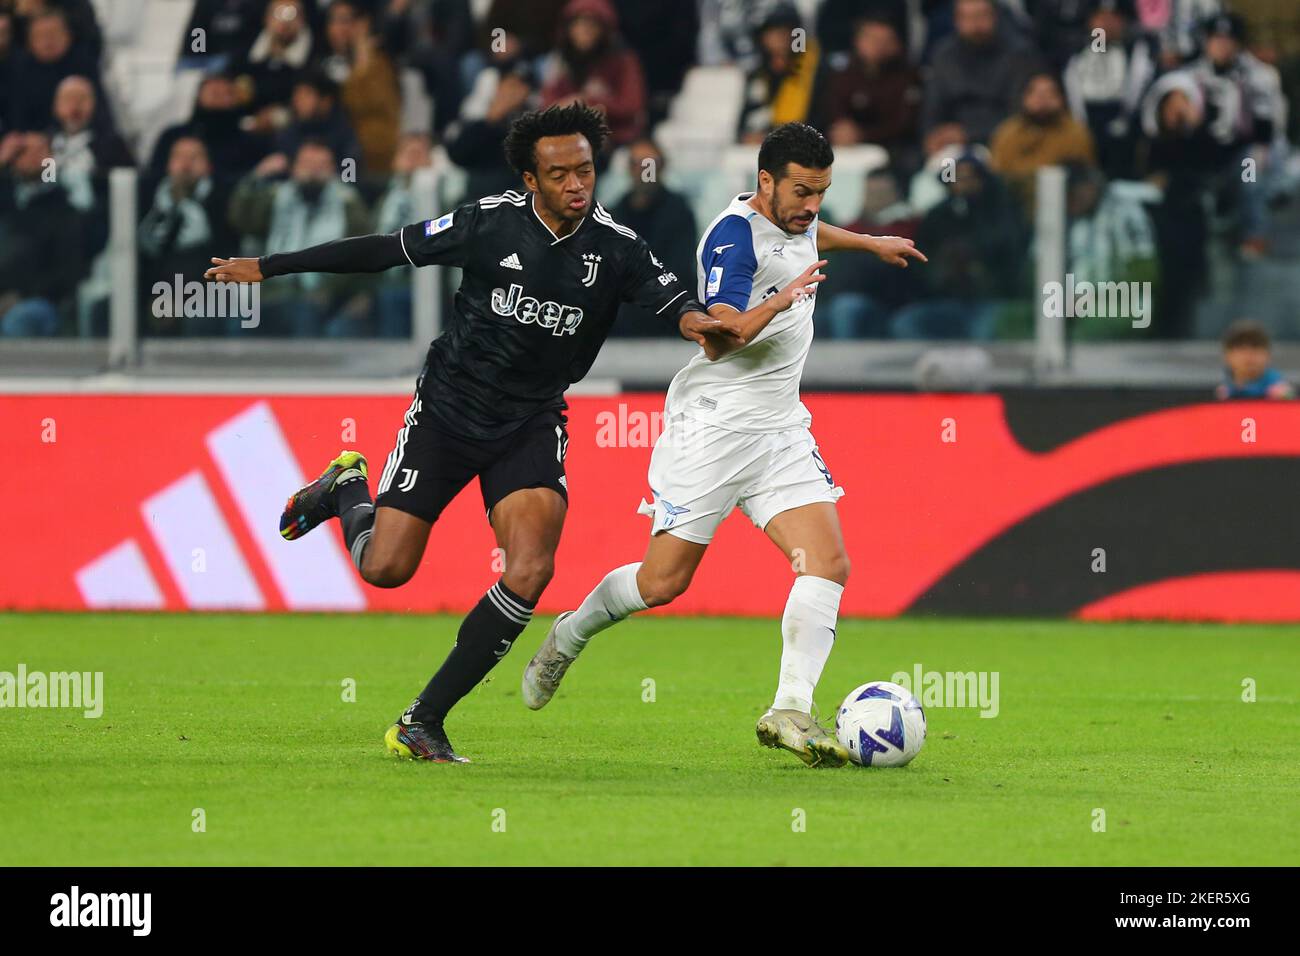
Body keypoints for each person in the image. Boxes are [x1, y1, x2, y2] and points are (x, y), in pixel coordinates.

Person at [204, 103, 730, 762]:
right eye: (560, 173)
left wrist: (701, 325)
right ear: (530, 180)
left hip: (530, 419)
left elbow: (676, 303)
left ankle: (423, 720)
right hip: (449, 409)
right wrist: (271, 266)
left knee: (532, 568)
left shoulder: (616, 247)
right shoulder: (488, 222)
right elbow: (385, 251)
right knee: (386, 568)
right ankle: (347, 486)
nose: (578, 185)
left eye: (587, 171)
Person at [518, 123, 926, 768]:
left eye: (821, 190)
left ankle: (789, 708)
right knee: (661, 583)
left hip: (779, 429)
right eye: (801, 190)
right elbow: (718, 335)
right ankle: (569, 635)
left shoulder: (797, 223)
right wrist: (785, 300)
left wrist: (870, 243)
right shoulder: (732, 240)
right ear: (765, 182)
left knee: (828, 563)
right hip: (711, 430)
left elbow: (811, 235)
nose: (812, 205)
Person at [1215, 319, 1295, 399]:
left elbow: (1288, 393)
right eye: (1241, 349)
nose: (1249, 355)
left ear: (1268, 355)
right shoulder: (1224, 389)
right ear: (1227, 356)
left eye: (1255, 347)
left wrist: (1284, 395)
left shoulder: (1275, 383)